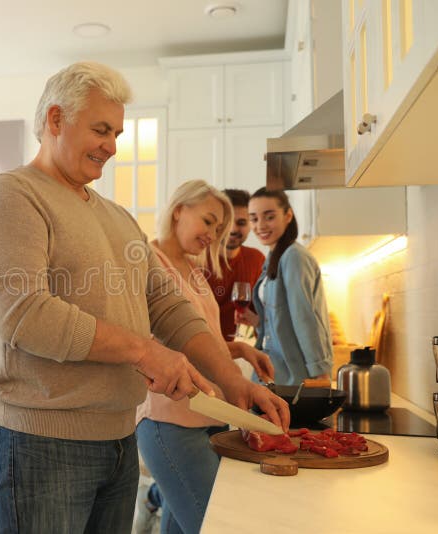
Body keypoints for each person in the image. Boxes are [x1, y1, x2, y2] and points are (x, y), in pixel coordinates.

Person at [0, 61, 289, 533]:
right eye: (100, 130)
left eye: (116, 133)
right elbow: (26, 316)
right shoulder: (11, 196)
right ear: (55, 120)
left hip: (120, 438)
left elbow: (167, 306)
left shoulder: (117, 218)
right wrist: (146, 352)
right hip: (42, 443)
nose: (112, 147)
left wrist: (230, 380)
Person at [135, 180, 275, 534]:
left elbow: (200, 342)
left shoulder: (194, 271)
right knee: (214, 525)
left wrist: (240, 348)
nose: (214, 234)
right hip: (171, 419)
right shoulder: (148, 264)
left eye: (219, 227)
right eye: (209, 221)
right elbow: (154, 346)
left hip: (208, 414)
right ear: (179, 209)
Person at [236, 188, 332, 385]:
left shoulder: (294, 257)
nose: (260, 225)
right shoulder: (274, 258)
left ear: (288, 215)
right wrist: (257, 320)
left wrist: (319, 371)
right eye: (254, 219)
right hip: (274, 372)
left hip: (293, 377)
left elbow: (304, 318)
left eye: (269, 217)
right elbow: (281, 319)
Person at [204, 189, 266, 342]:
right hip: (199, 351)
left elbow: (262, 314)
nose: (232, 230)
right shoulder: (197, 259)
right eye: (228, 223)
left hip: (237, 350)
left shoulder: (257, 259)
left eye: (241, 223)